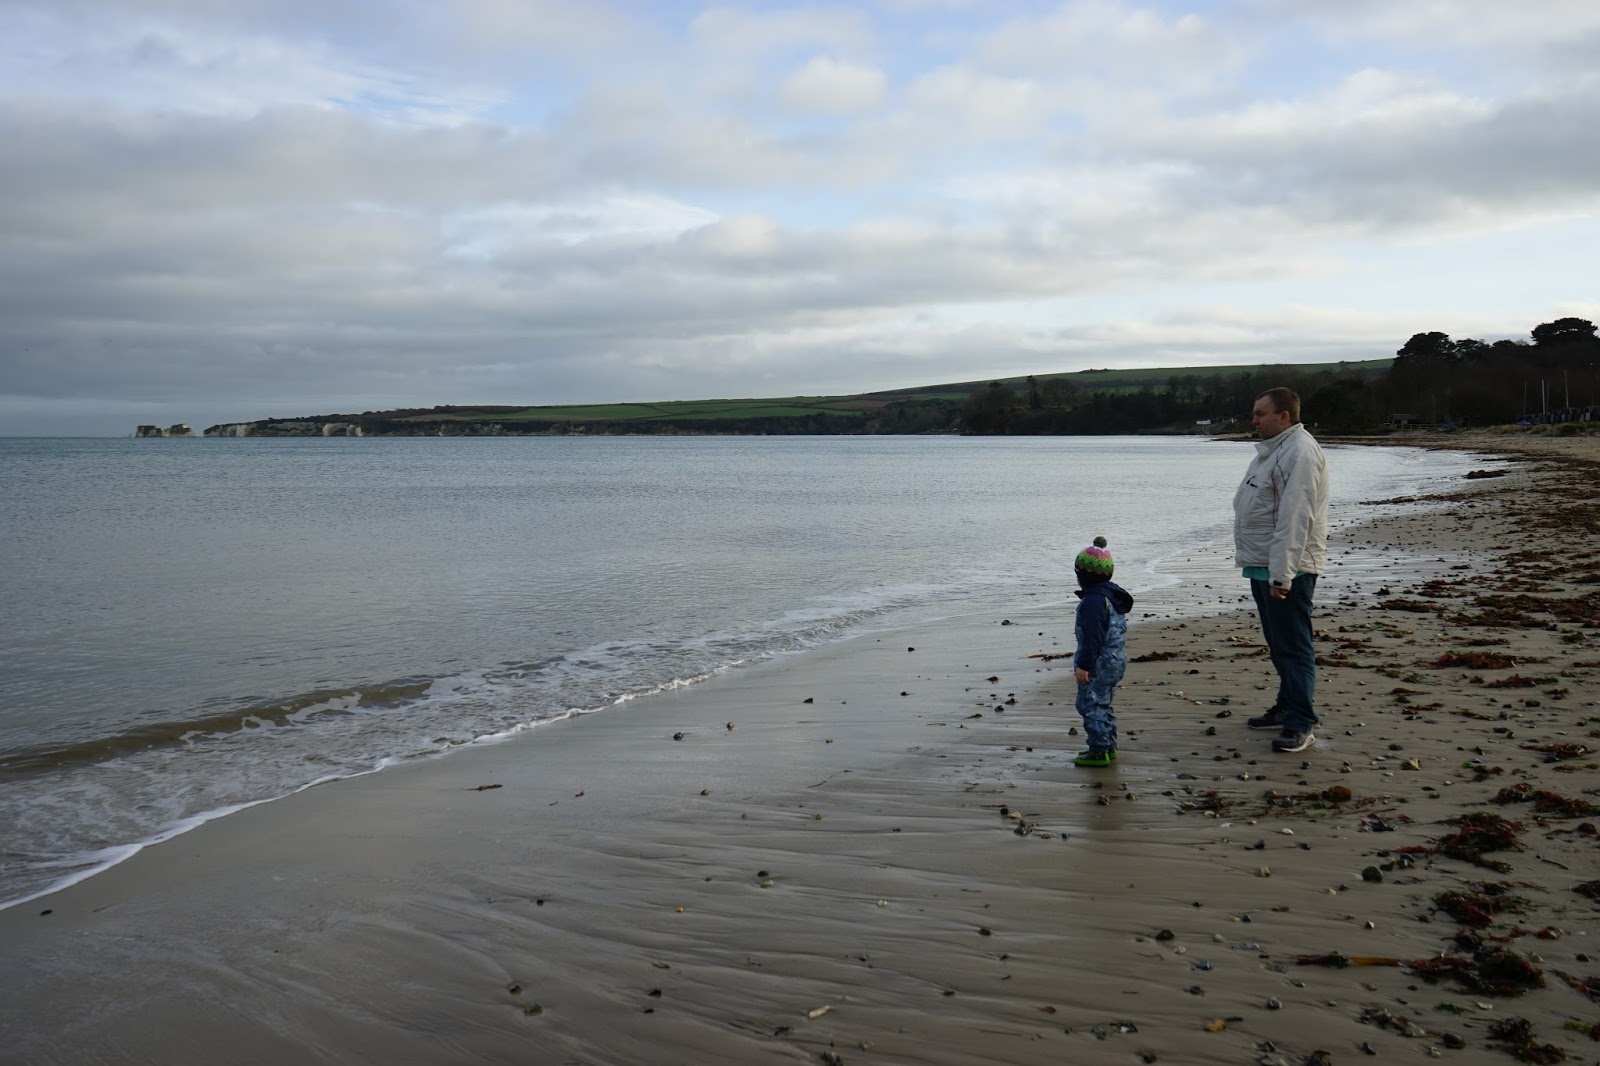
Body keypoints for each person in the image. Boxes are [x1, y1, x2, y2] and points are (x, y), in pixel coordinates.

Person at [1233, 387, 1330, 753]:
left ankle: (1300, 722)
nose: (1254, 421)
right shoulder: (1274, 451)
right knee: (1278, 644)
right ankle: (1286, 704)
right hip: (1264, 563)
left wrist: (1283, 575)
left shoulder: (1300, 452)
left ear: (1284, 416)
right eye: (1255, 414)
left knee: (1293, 646)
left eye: (1261, 414)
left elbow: (1295, 516)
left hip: (1289, 568)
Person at [1071, 537, 1134, 768]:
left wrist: (1084, 665)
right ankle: (1109, 745)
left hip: (1098, 662)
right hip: (1116, 660)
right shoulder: (1111, 597)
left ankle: (1098, 750)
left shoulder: (1094, 602)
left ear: (1083, 576)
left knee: (1090, 704)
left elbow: (1093, 637)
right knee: (1103, 702)